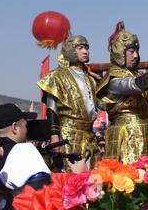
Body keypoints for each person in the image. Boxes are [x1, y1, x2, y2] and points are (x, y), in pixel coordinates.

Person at [96, 22, 148, 163]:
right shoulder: (113, 78)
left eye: (137, 51)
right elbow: (136, 86)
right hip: (125, 135)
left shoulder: (138, 75)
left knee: (147, 180)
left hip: (146, 136)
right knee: (126, 180)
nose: (136, 56)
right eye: (131, 51)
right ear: (119, 53)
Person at [38, 34, 101, 168]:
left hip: (90, 135)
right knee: (71, 179)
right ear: (71, 50)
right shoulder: (57, 76)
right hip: (69, 134)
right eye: (80, 48)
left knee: (94, 180)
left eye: (86, 48)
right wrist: (54, 136)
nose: (85, 51)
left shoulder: (90, 79)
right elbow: (52, 107)